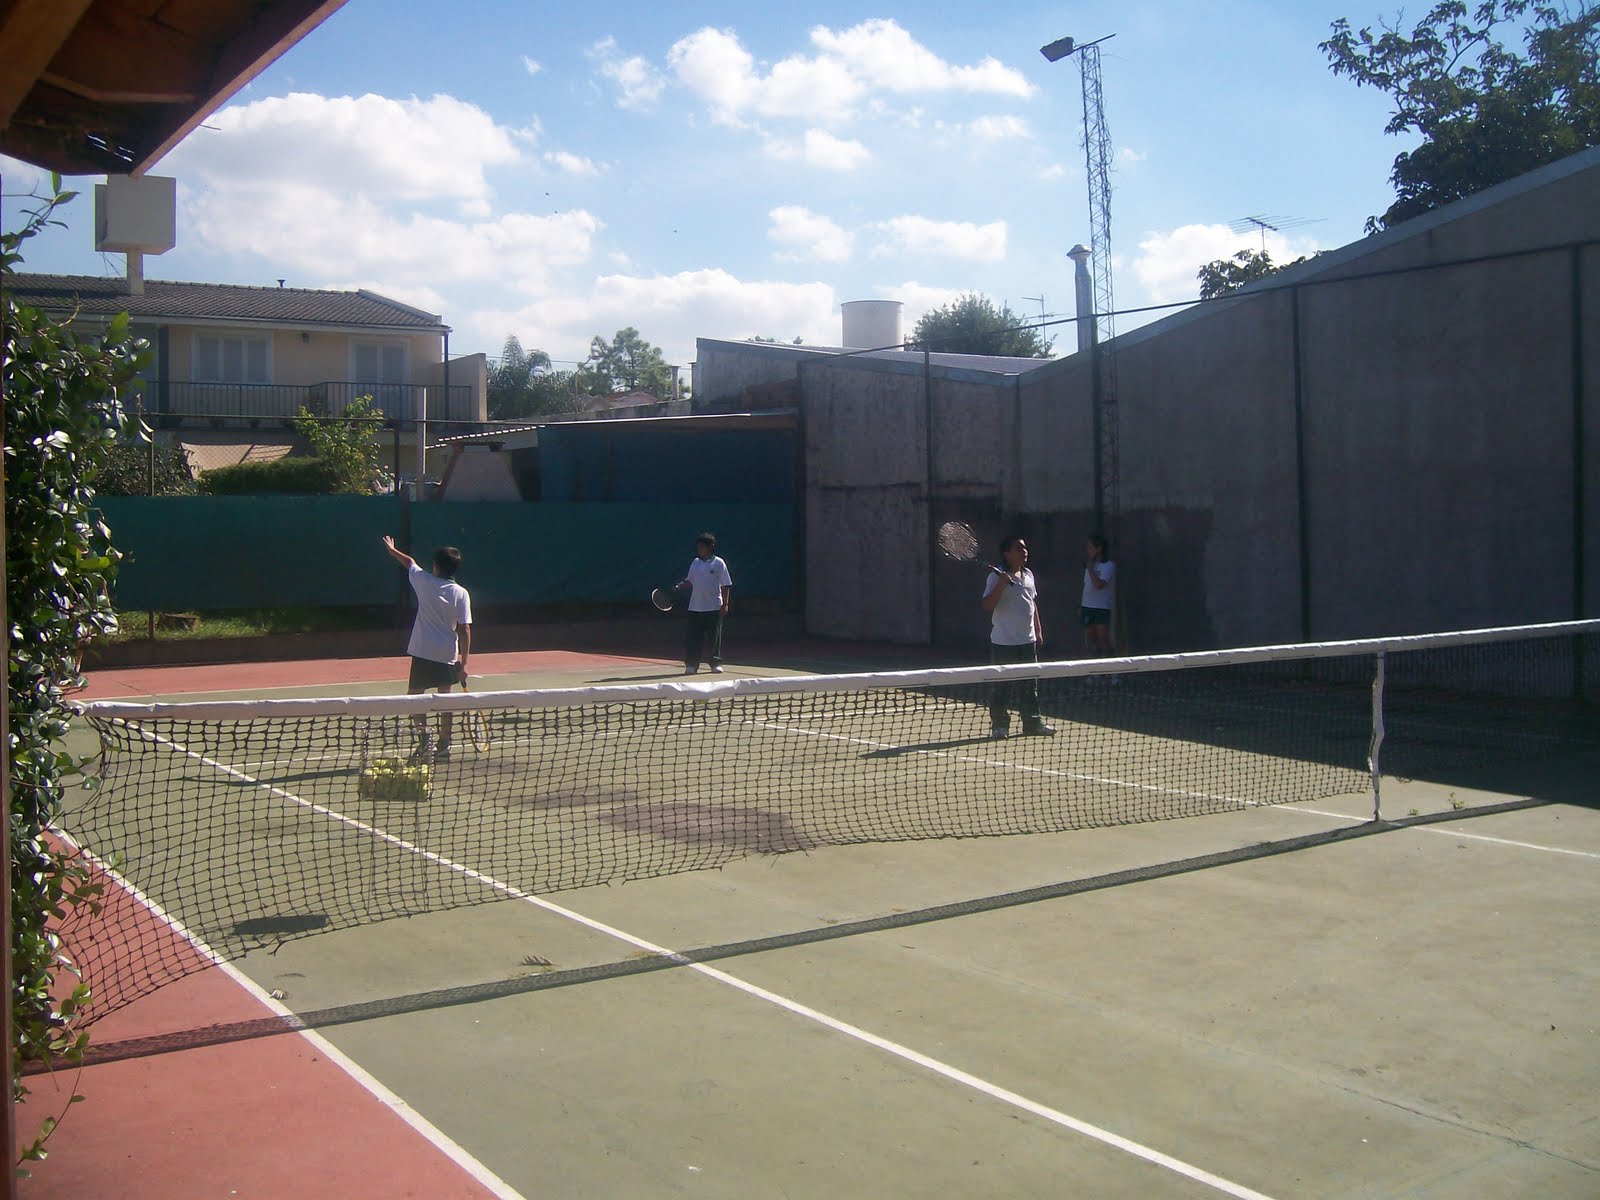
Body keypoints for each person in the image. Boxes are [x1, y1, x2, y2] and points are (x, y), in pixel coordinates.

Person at [381, 535, 472, 759]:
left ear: (436, 566)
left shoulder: (424, 581)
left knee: (414, 698)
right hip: (446, 654)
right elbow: (465, 630)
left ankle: (424, 740)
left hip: (423, 652)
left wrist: (392, 550)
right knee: (445, 699)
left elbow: (410, 562)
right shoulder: (462, 593)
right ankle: (444, 744)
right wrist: (464, 664)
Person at [981, 534, 1055, 739]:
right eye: (1018, 548)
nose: (1024, 552)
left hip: (1027, 641)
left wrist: (1038, 630)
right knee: (1001, 687)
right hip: (1003, 642)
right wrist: (1002, 584)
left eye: (1025, 548)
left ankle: (1032, 723)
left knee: (1029, 686)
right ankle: (1000, 726)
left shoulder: (1029, 575)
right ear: (1007, 554)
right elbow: (987, 605)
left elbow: (1032, 604)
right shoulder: (996, 577)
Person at [676, 532, 732, 674]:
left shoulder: (719, 563)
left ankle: (715, 664)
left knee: (714, 638)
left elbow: (725, 585)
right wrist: (682, 585)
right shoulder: (695, 563)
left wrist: (725, 604)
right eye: (698, 547)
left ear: (711, 546)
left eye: (702, 546)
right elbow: (690, 581)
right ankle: (692, 665)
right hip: (695, 608)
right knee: (694, 639)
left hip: (713, 607)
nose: (699, 549)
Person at [1081, 532, 1116, 656]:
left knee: (1103, 641)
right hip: (1087, 607)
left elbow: (1099, 585)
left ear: (1099, 548)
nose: (1088, 551)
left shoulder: (1109, 566)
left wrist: (1091, 569)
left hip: (1101, 608)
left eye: (1091, 548)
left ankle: (1111, 673)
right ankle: (1095, 673)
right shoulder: (1089, 565)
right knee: (1091, 642)